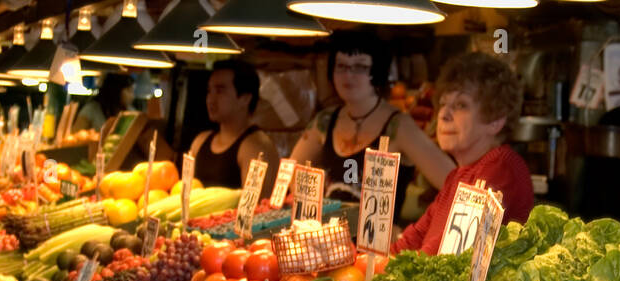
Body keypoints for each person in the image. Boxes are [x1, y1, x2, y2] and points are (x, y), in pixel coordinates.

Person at [390, 53, 533, 256]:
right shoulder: (458, 176)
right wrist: (379, 261)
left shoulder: (501, 167)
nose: (444, 114)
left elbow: (451, 248)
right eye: (443, 103)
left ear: (495, 120)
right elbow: (418, 235)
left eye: (460, 105)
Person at [290, 31, 453, 208]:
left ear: (377, 71)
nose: (348, 75)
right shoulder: (325, 121)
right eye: (341, 66)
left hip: (384, 235)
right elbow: (292, 174)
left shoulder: (399, 126)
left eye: (360, 67)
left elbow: (454, 183)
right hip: (328, 234)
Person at [187, 61, 280, 196]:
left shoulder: (256, 147)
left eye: (220, 91)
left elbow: (257, 209)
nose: (210, 99)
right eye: (209, 91)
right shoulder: (199, 141)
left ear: (245, 99)